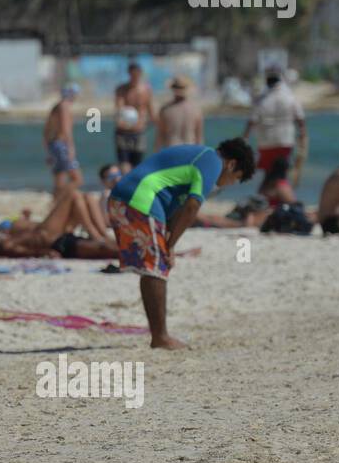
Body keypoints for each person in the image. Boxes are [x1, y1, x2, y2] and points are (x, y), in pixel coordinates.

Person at [107, 140, 255, 349]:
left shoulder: (201, 156)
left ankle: (159, 336)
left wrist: (170, 245)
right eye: (236, 178)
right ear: (231, 164)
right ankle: (160, 338)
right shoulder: (213, 161)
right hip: (140, 200)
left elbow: (177, 208)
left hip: (122, 199)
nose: (230, 183)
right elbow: (192, 207)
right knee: (155, 270)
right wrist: (170, 244)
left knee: (153, 267)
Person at [244, 67, 305, 177]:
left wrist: (244, 140)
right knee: (282, 172)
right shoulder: (290, 97)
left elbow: (252, 122)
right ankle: (280, 190)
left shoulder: (261, 100)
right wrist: (303, 138)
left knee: (268, 173)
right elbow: (300, 119)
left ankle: (269, 193)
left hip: (265, 142)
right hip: (285, 141)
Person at [114, 62, 157, 171]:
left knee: (137, 164)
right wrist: (121, 122)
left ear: (140, 73)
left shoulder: (146, 90)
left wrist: (160, 126)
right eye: (132, 74)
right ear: (129, 74)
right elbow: (119, 109)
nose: (135, 77)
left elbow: (151, 112)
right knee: (124, 164)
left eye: (137, 74)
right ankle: (126, 185)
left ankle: (134, 186)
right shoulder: (122, 90)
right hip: (123, 131)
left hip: (139, 131)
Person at [43, 83, 84, 195]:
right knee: (77, 179)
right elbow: (66, 130)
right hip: (61, 145)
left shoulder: (56, 107)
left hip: (54, 145)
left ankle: (56, 206)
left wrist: (49, 152)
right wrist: (71, 149)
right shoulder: (64, 106)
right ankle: (62, 200)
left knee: (59, 181)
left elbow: (46, 132)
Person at [156, 76, 203, 148]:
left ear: (173, 89)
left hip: (173, 150)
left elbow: (160, 135)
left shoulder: (166, 110)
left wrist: (157, 153)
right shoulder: (196, 109)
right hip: (190, 151)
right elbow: (199, 138)